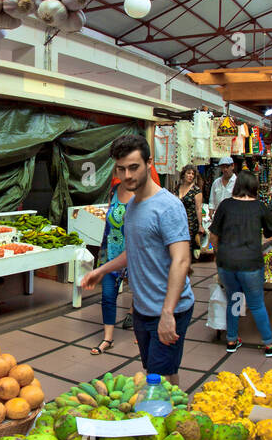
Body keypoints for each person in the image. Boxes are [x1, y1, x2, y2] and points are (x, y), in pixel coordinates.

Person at [75, 136, 193, 386]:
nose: (127, 175)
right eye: (121, 168)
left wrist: (168, 313)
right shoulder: (132, 206)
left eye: (134, 167)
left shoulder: (168, 206)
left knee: (161, 377)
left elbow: (181, 260)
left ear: (149, 163)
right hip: (143, 308)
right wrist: (102, 270)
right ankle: (169, 412)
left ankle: (172, 417)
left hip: (169, 307)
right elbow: (133, 251)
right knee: (154, 370)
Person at [209, 172, 272, 357]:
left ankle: (231, 339)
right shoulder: (259, 207)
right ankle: (268, 344)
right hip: (251, 264)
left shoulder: (225, 205)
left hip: (227, 264)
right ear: (254, 187)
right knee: (256, 304)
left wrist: (217, 251)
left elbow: (213, 236)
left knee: (235, 299)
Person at [89, 180, 131, 356]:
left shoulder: (142, 193)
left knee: (142, 294)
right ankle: (108, 338)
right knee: (107, 296)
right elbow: (109, 221)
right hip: (112, 251)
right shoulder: (113, 191)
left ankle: (144, 331)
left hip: (135, 253)